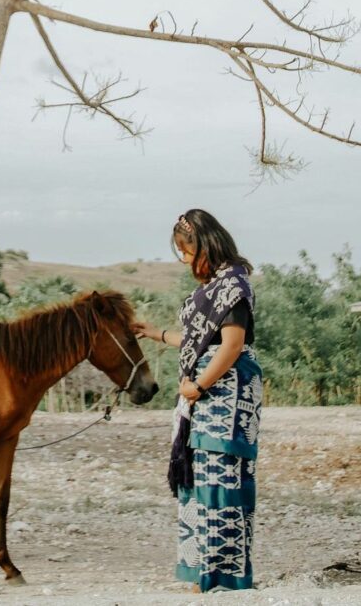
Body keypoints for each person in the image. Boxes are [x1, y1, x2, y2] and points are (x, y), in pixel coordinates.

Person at [134, 209, 262, 593]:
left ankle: (225, 574)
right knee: (200, 478)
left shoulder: (233, 288)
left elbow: (232, 345)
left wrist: (201, 385)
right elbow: (197, 342)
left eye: (186, 251)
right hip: (204, 396)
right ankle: (202, 570)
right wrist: (155, 333)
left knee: (223, 478)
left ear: (204, 245)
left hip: (225, 396)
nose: (186, 260)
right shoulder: (212, 290)